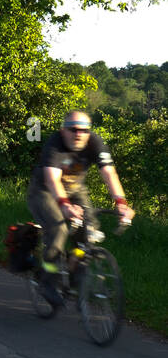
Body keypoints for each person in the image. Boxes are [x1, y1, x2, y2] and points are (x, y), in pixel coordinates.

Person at [27, 110, 134, 307]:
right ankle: (47, 281)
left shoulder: (94, 142)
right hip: (43, 191)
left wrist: (121, 203)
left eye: (84, 130)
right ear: (63, 130)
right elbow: (52, 179)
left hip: (75, 189)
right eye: (74, 129)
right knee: (58, 230)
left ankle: (75, 275)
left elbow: (109, 173)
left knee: (88, 231)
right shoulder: (55, 144)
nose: (79, 134)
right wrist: (65, 206)